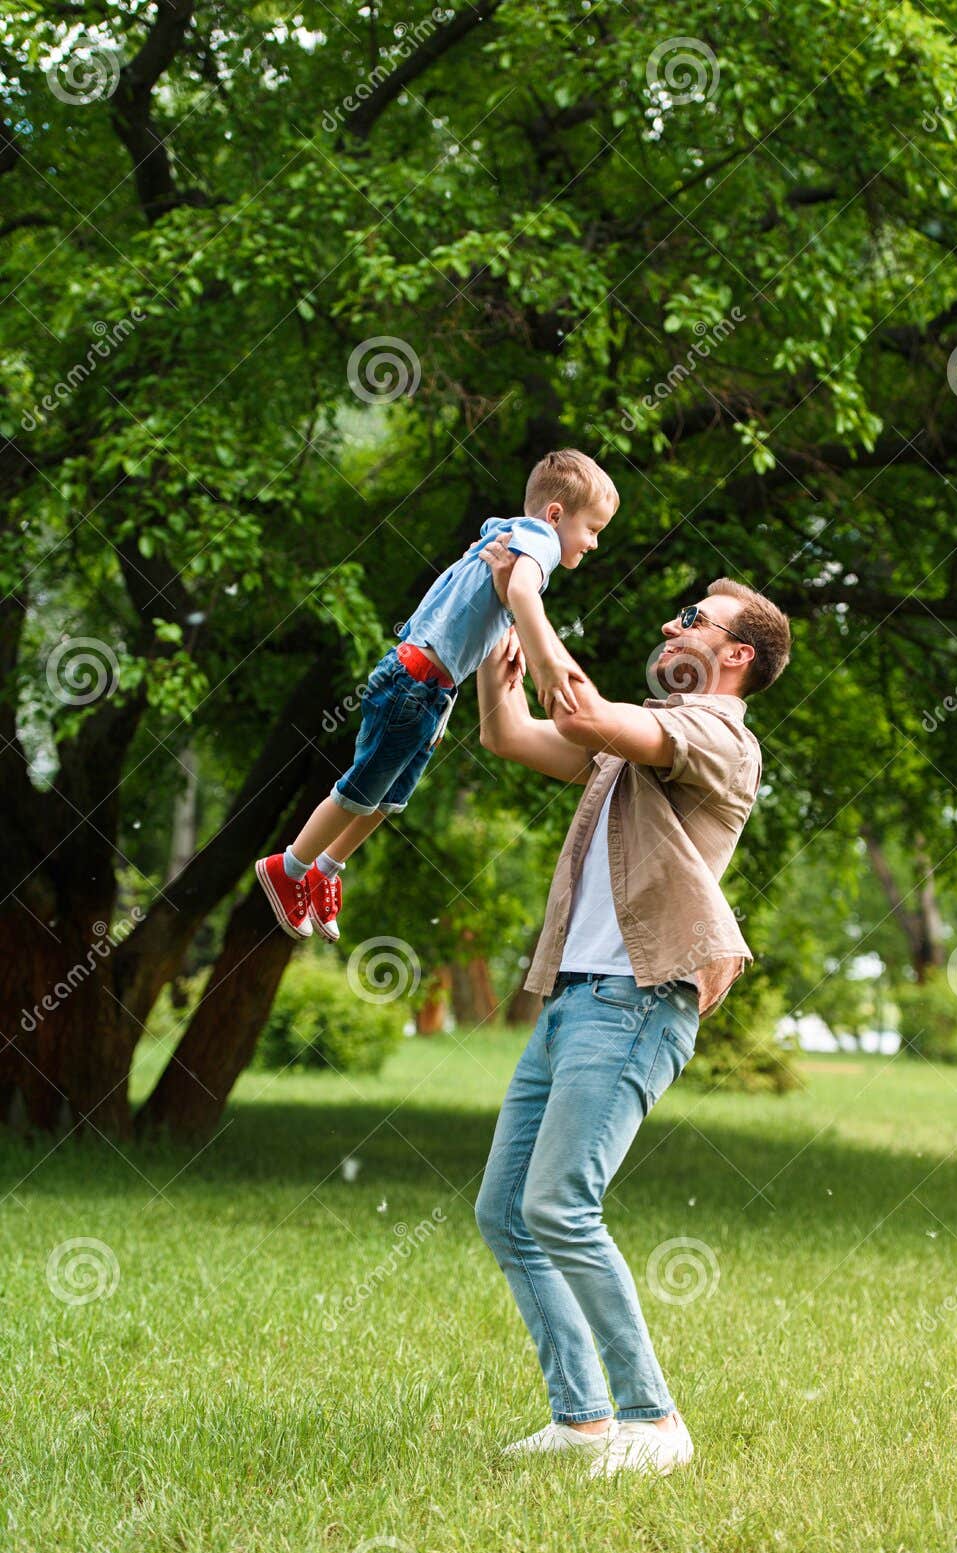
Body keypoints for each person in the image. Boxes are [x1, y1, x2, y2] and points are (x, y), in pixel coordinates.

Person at [474, 560, 791, 1476]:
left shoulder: (718, 740)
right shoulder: (640, 740)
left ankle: (655, 1423)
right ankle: (581, 1419)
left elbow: (576, 712)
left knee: (559, 1203)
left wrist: (527, 597)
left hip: (638, 1000)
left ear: (733, 655)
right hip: (575, 996)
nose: (669, 626)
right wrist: (499, 671)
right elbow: (521, 738)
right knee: (507, 1211)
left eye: (690, 618)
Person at [254, 450, 618, 940]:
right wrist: (546, 662)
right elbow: (526, 593)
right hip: (413, 684)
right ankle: (289, 868)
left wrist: (504, 627)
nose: (594, 544)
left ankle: (325, 868)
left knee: (389, 799)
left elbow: (496, 601)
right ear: (556, 515)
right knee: (359, 790)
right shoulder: (539, 539)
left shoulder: (506, 541)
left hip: (430, 692)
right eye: (592, 529)